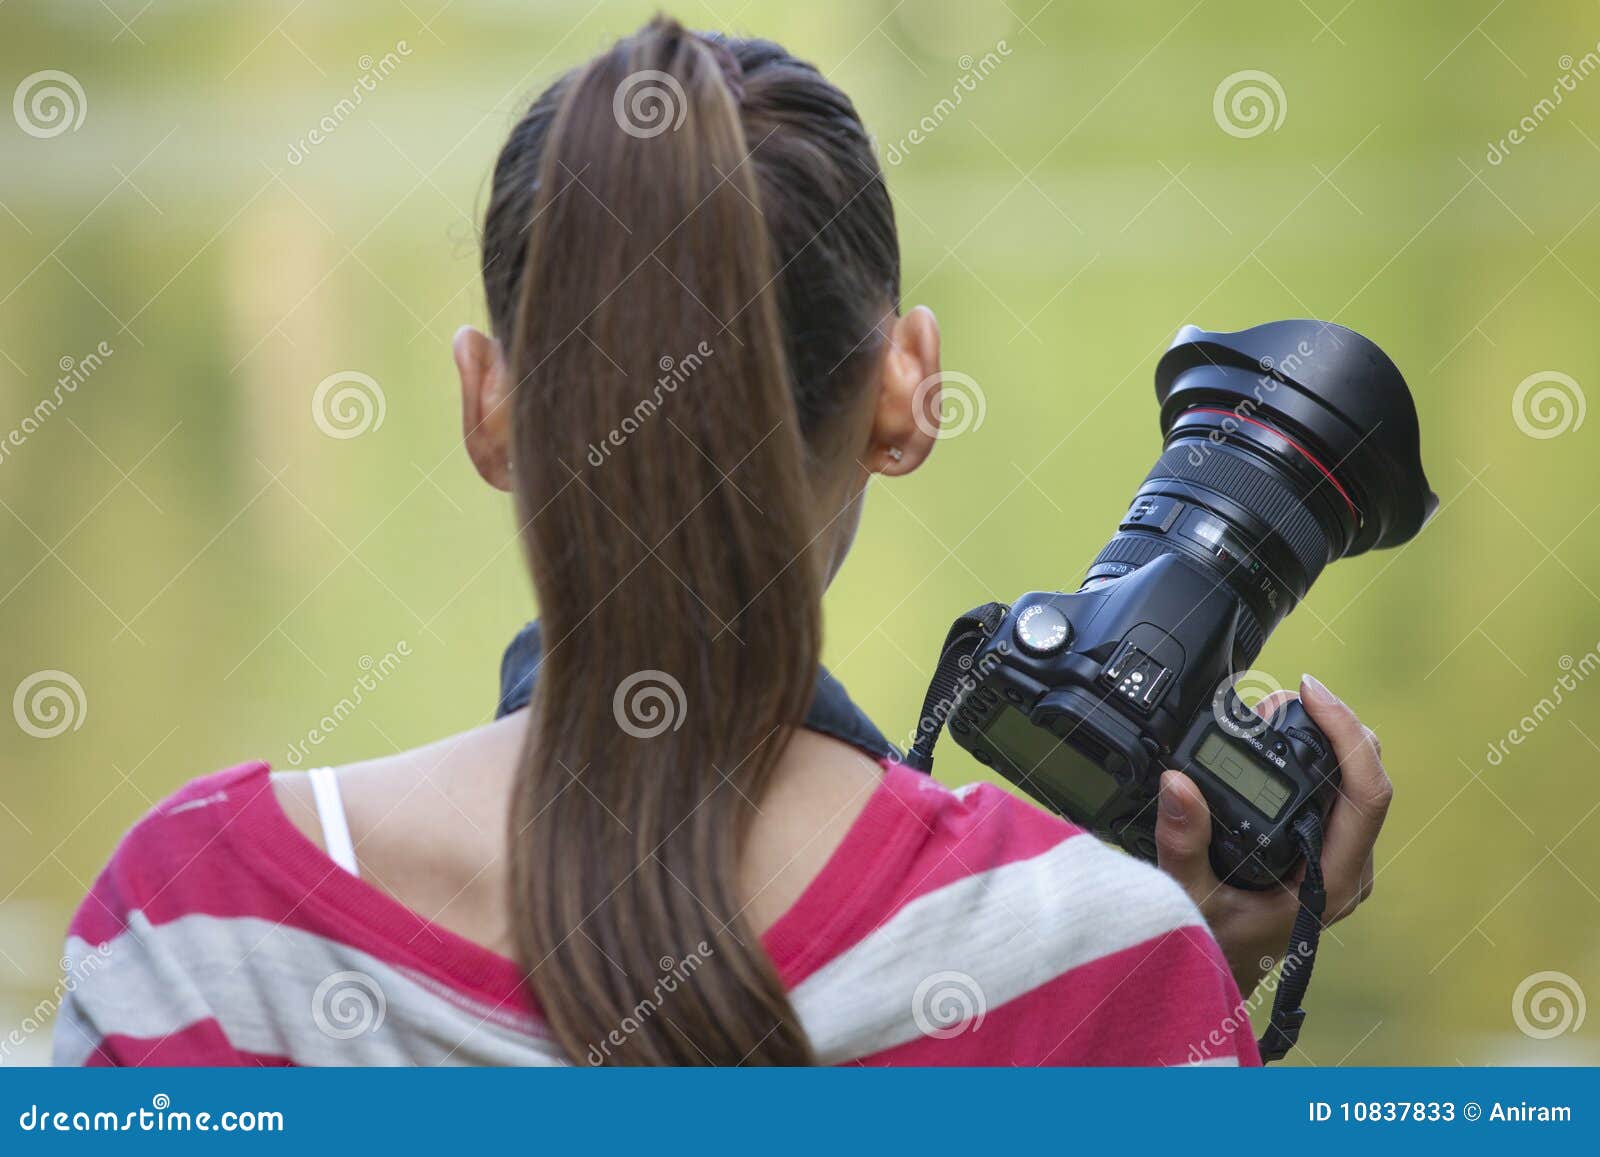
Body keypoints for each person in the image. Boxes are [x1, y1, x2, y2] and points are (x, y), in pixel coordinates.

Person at [54, 16, 1391, 1067]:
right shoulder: (1080, 954)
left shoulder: (195, 915)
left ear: (487, 405)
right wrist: (1189, 982)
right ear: (904, 392)